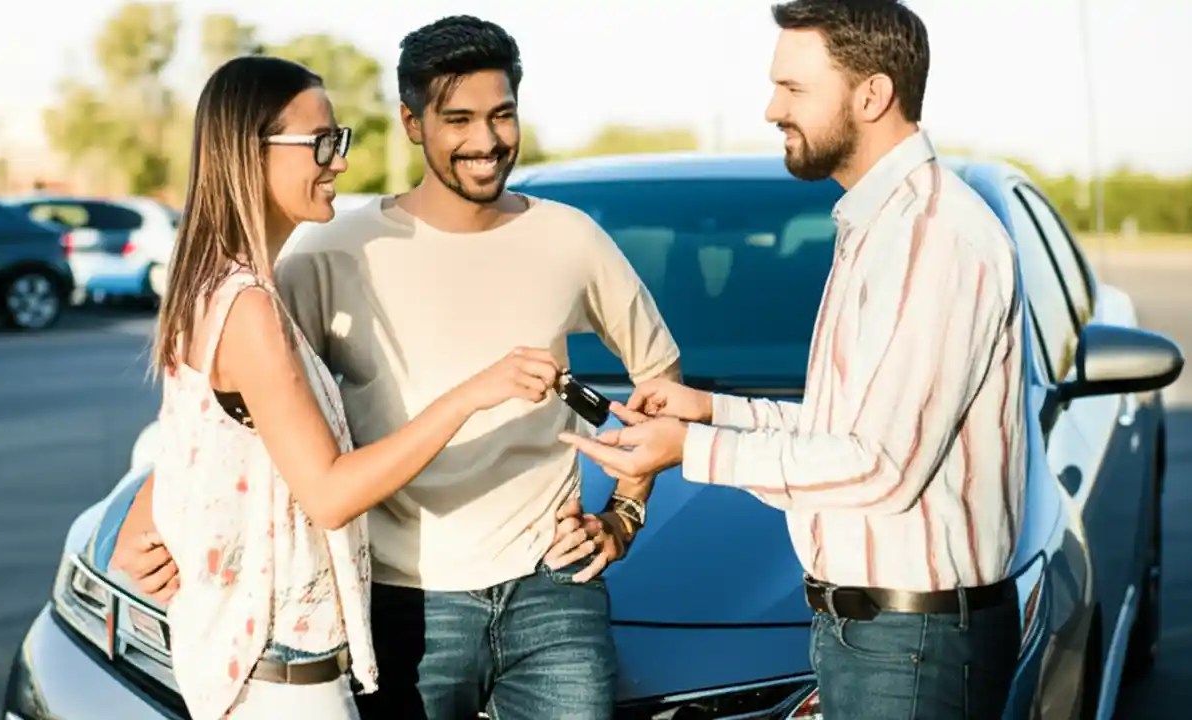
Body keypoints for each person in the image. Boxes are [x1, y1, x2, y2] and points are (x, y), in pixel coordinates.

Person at [116, 15, 682, 720]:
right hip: (400, 599)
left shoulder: (571, 238)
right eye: (460, 118)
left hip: (553, 591)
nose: (486, 140)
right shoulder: (329, 252)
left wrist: (623, 515)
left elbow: (663, 387)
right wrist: (150, 521)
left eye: (502, 115)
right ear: (413, 124)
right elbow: (225, 403)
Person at [561, 1, 1026, 718]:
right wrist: (712, 408)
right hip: (872, 635)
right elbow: (845, 426)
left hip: (910, 648)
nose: (772, 108)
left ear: (872, 95)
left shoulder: (933, 241)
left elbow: (880, 465)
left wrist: (691, 449)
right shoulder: (876, 226)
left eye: (794, 89)